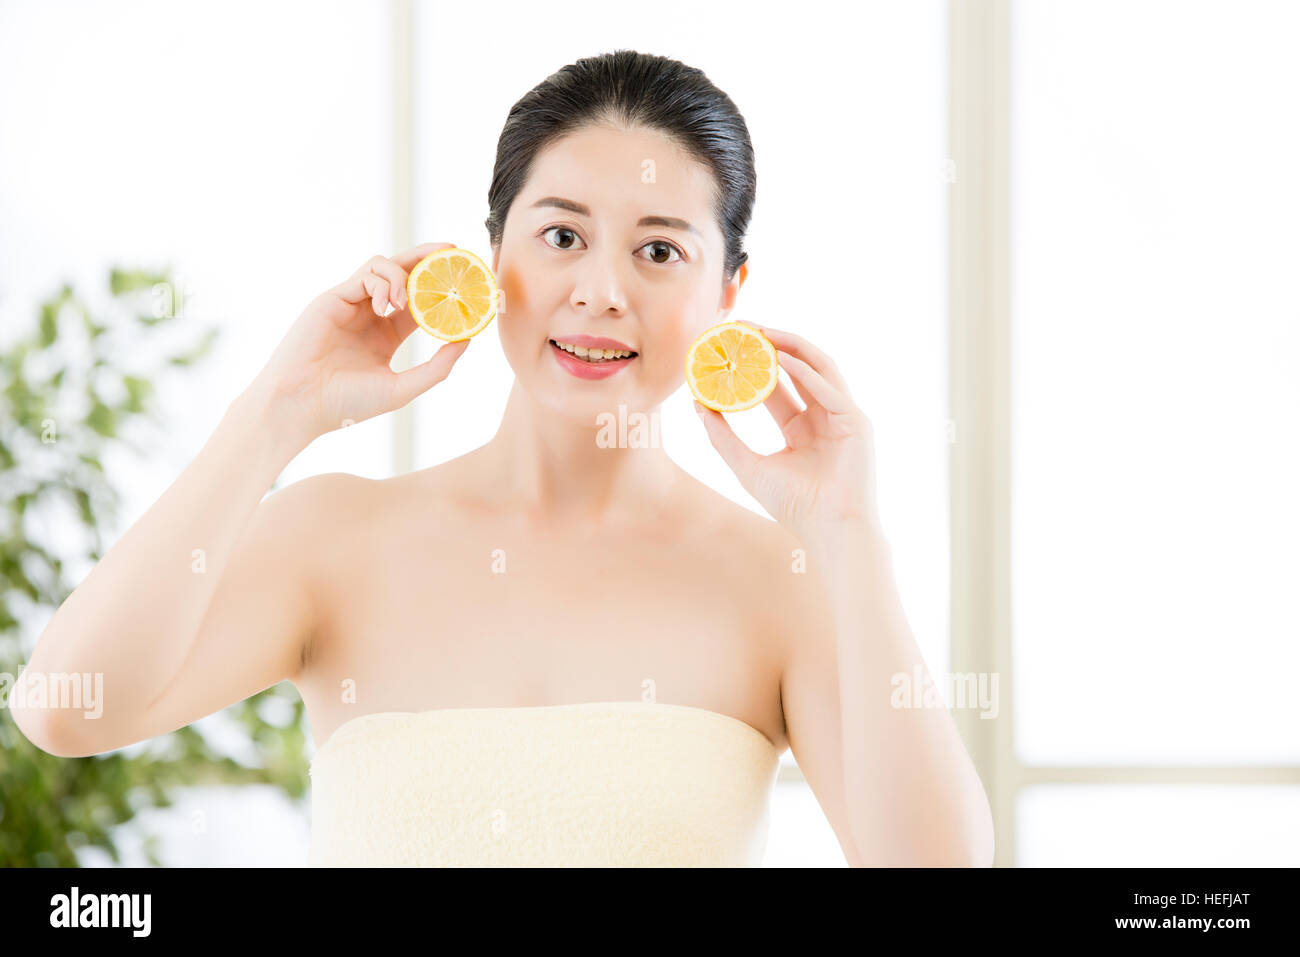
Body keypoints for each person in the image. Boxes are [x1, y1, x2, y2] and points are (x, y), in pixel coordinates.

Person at [12, 50, 993, 867]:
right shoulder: (333, 537)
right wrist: (275, 413)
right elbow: (66, 710)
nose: (602, 290)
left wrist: (848, 534)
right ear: (492, 260)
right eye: (561, 234)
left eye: (659, 252)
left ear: (727, 292)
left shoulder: (782, 581)